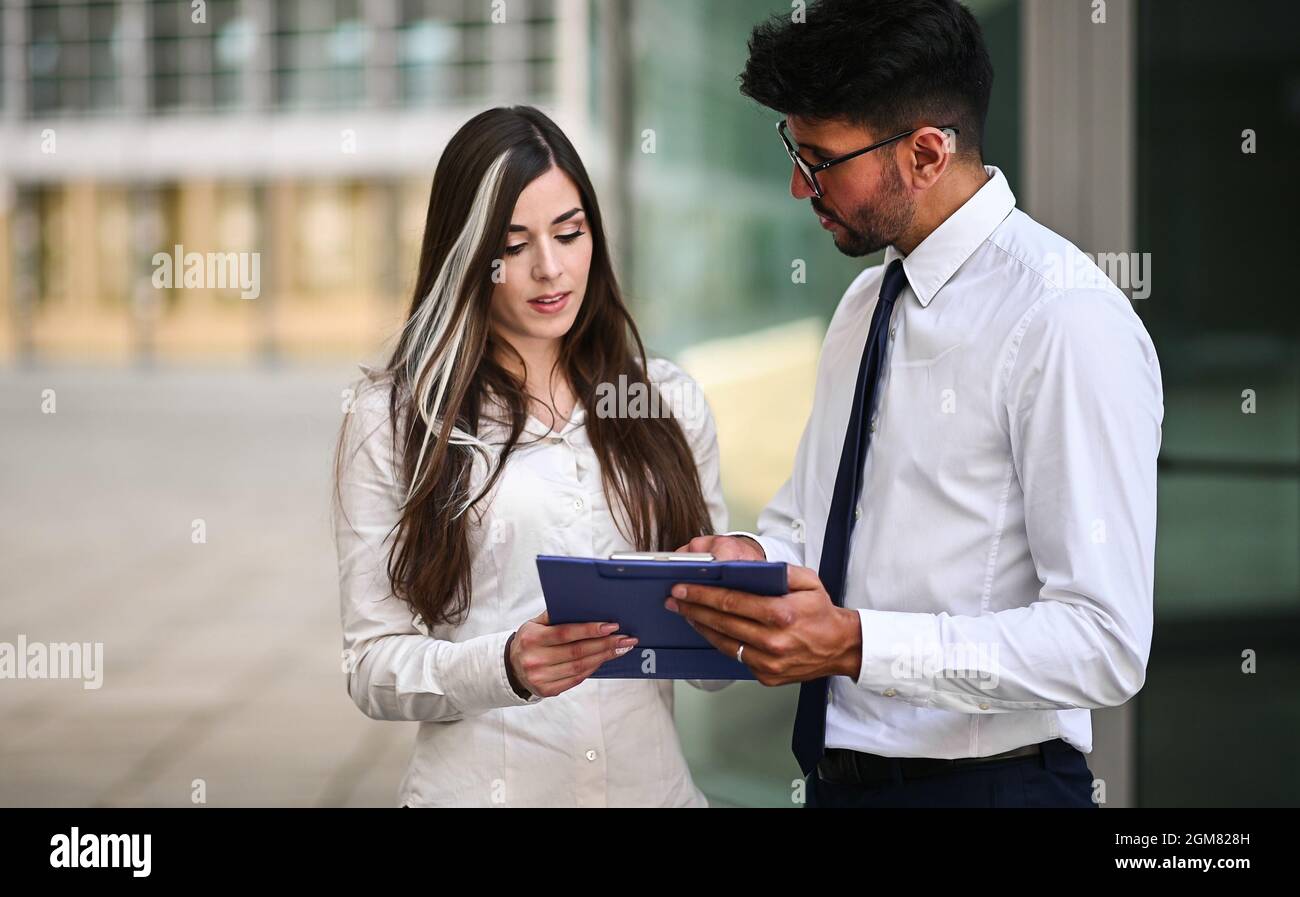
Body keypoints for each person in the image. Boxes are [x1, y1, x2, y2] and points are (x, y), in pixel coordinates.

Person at [673, 0, 1163, 808]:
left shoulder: (1065, 319)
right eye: (794, 151)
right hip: (838, 782)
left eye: (821, 160)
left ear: (927, 153)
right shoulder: (864, 306)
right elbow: (809, 529)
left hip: (992, 789)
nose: (798, 186)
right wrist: (749, 561)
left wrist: (858, 644)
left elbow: (1103, 641)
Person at [333, 106, 727, 807]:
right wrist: (505, 666)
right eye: (513, 246)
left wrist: (731, 609)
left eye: (569, 234)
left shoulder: (665, 400)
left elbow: (711, 666)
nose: (551, 268)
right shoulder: (392, 418)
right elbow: (371, 665)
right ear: (467, 255)